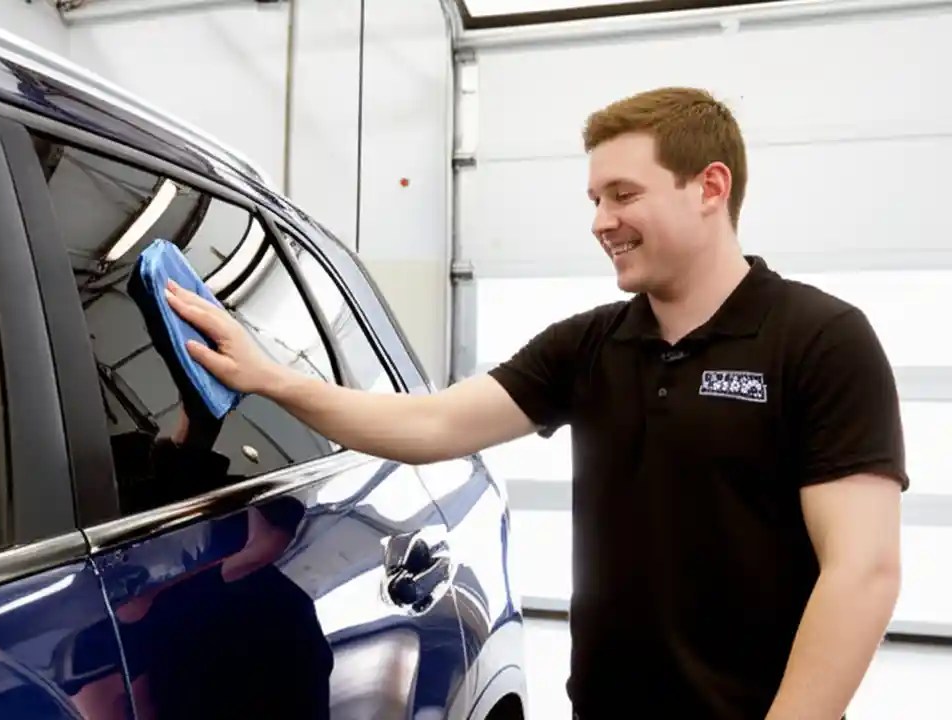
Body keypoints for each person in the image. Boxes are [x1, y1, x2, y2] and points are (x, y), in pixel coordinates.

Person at [163, 86, 907, 720]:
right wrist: (273, 378)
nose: (600, 222)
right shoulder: (589, 347)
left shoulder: (820, 340)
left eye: (623, 194)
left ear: (710, 187)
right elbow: (434, 423)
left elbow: (862, 569)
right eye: (594, 199)